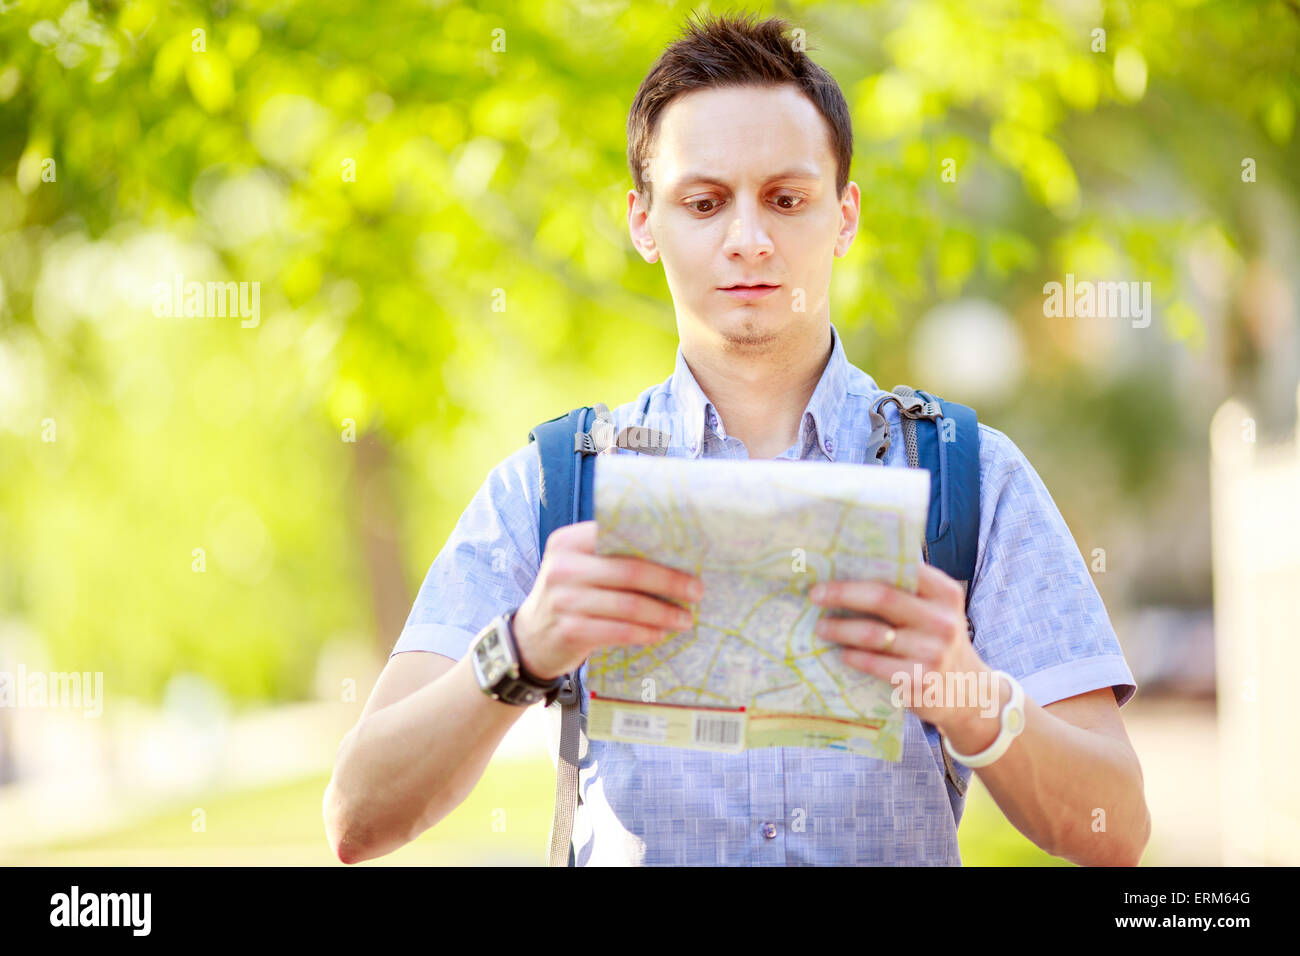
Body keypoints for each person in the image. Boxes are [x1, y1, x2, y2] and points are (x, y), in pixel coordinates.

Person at [324, 11, 1149, 866]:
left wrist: (965, 687)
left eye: (786, 199)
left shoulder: (968, 478)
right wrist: (522, 650)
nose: (748, 239)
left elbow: (1116, 830)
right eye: (704, 201)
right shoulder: (554, 488)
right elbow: (356, 818)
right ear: (644, 222)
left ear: (845, 216)